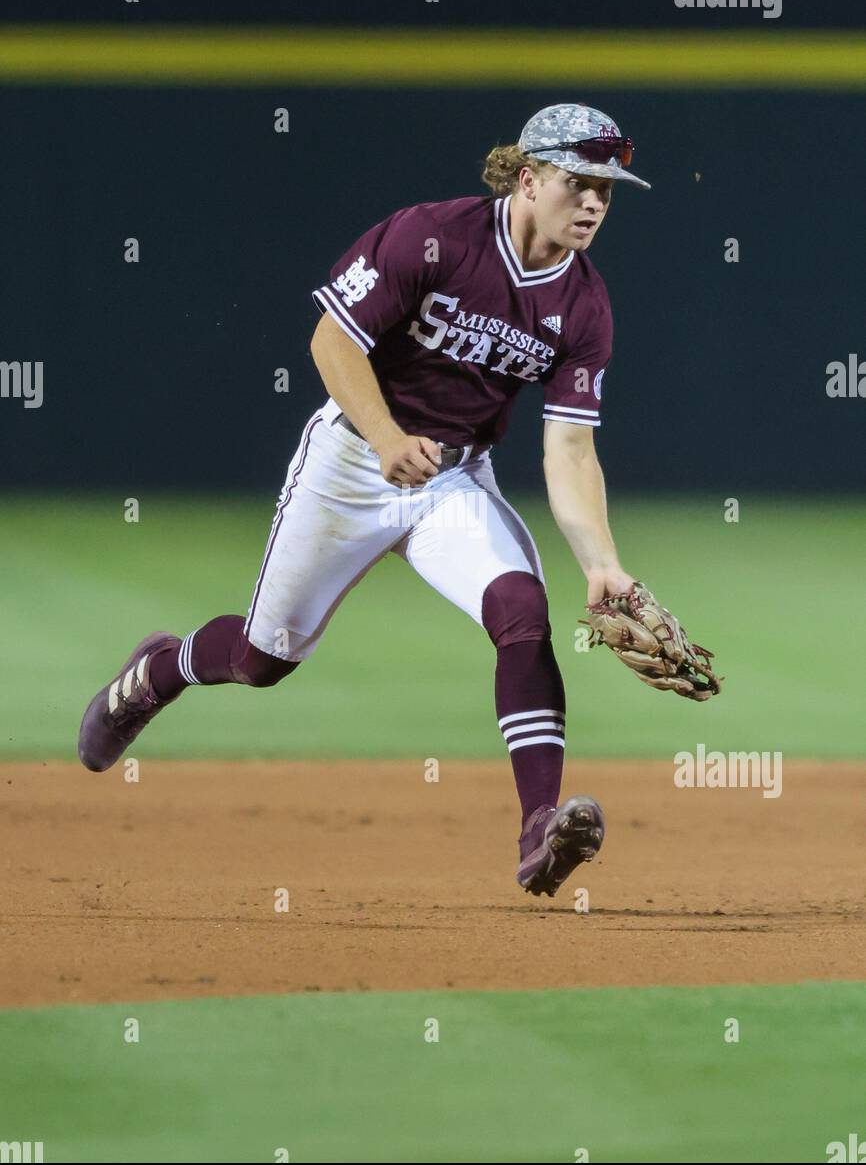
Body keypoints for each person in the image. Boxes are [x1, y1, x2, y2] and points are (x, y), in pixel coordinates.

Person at [79, 102, 651, 898]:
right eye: (576, 183)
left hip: (453, 481)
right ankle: (158, 672)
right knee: (261, 659)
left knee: (522, 611)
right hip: (351, 462)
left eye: (606, 190)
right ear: (527, 179)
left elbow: (571, 448)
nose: (593, 203)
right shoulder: (433, 236)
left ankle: (540, 829)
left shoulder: (584, 303)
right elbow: (333, 339)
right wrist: (386, 438)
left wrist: (601, 562)